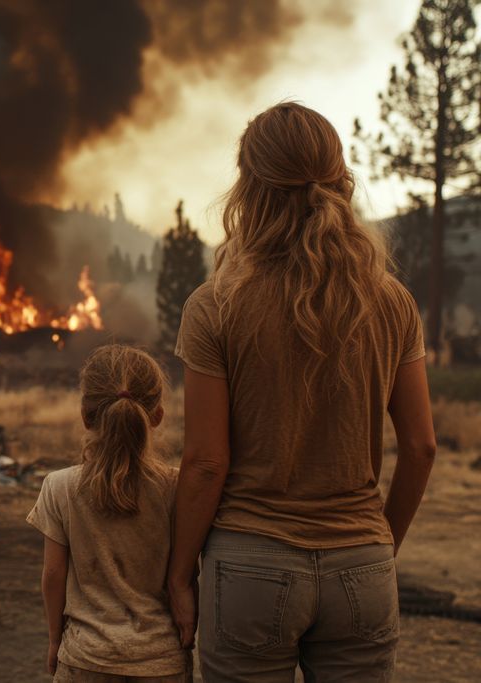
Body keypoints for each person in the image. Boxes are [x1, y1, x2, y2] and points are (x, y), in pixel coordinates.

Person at [168, 102, 436, 682]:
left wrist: (177, 574)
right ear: (340, 181)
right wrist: (378, 549)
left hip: (249, 566)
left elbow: (207, 462)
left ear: (249, 188)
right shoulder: (391, 301)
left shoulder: (215, 304)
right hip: (362, 564)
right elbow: (421, 448)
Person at [28, 345, 191, 683]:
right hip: (160, 661)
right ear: (157, 416)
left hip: (85, 659)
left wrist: (56, 640)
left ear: (86, 416)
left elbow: (53, 576)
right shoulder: (180, 488)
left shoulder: (59, 487)